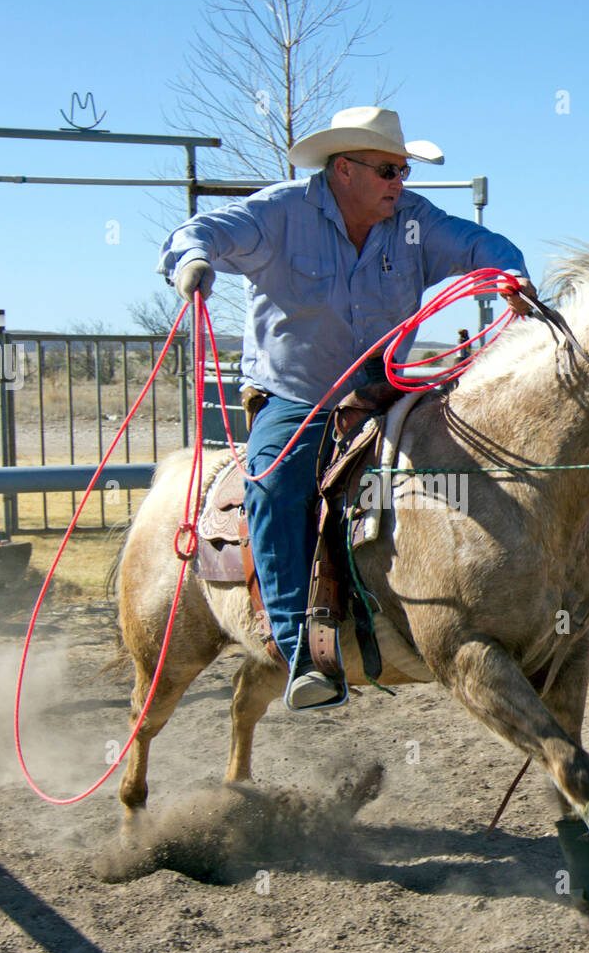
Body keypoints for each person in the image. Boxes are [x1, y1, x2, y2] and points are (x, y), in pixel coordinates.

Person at [157, 106, 536, 708]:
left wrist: (507, 271)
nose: (399, 183)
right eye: (388, 170)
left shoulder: (413, 221)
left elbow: (478, 243)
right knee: (278, 481)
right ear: (344, 170)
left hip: (387, 391)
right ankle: (298, 650)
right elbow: (199, 234)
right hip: (299, 398)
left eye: (403, 171)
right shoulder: (281, 213)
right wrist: (194, 263)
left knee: (472, 464)